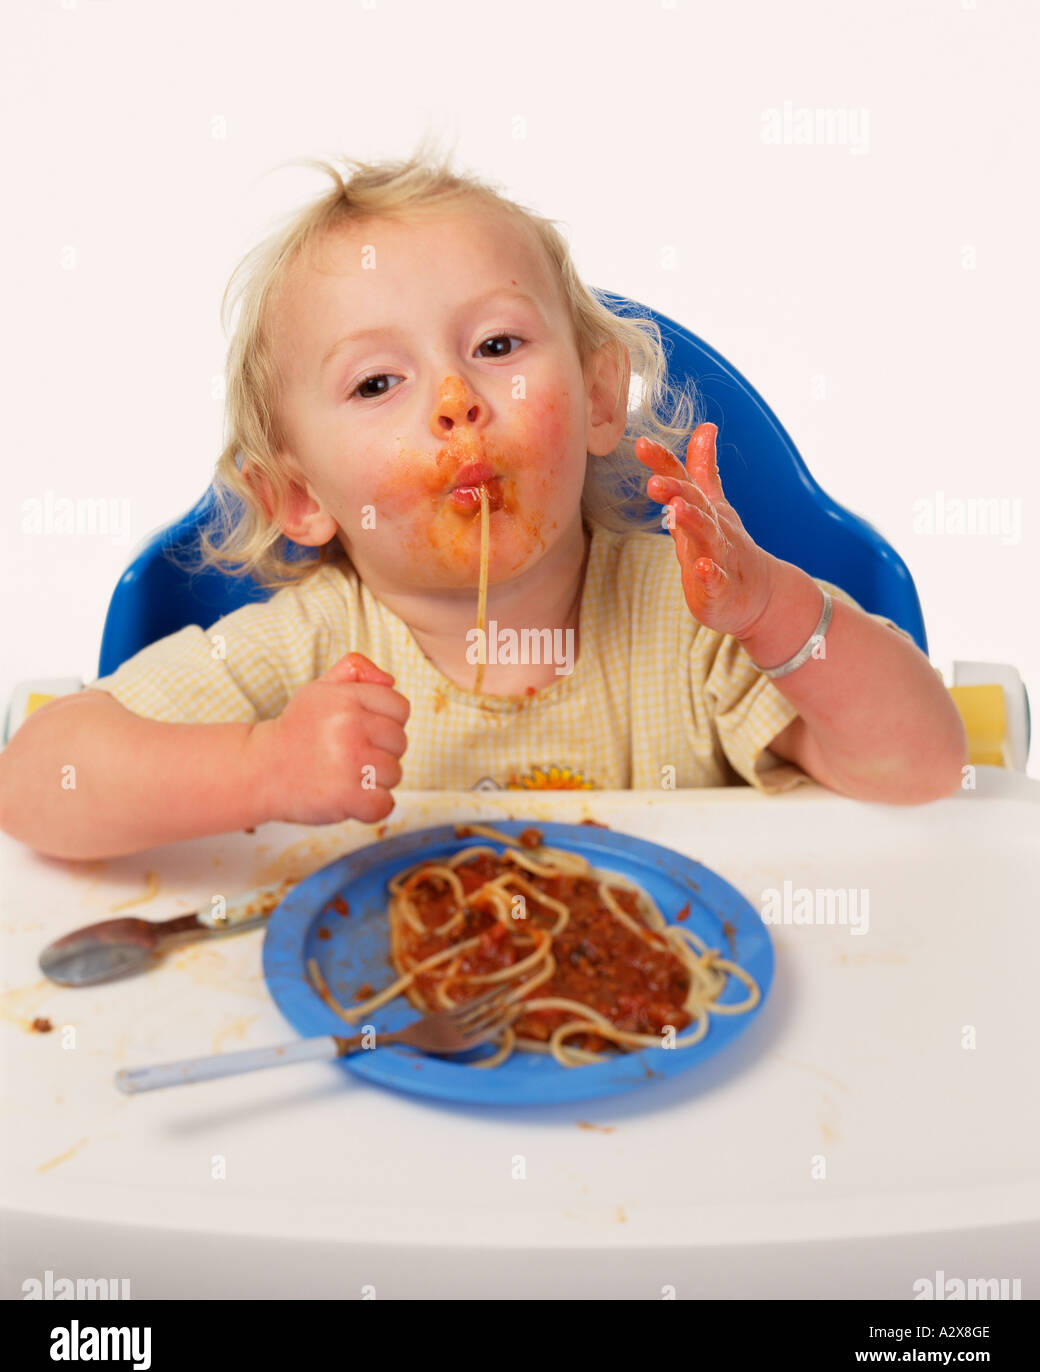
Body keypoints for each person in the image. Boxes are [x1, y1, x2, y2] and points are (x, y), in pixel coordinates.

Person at [0, 141, 967, 861]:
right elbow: (37, 782)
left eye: (497, 347)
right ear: (298, 496)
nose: (457, 400)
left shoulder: (690, 625)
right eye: (378, 384)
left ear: (596, 398)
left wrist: (771, 611)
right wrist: (262, 768)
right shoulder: (308, 656)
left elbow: (919, 767)